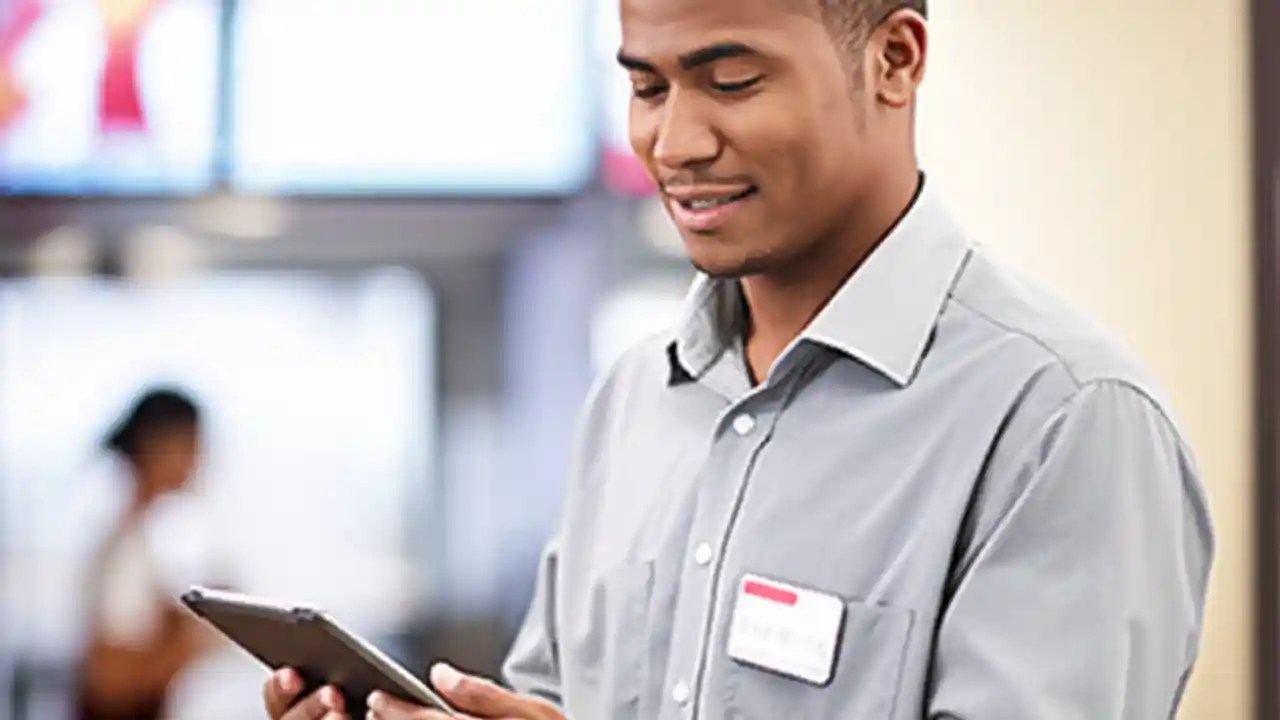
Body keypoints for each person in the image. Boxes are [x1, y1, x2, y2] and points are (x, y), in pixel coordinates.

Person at [264, 0, 1214, 717]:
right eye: (647, 89)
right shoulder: (635, 398)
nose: (673, 144)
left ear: (894, 59)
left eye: (731, 82)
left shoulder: (1064, 422)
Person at [77, 388, 218, 720]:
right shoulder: (125, 550)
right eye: (193, 446)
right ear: (160, 447)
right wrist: (199, 640)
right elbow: (110, 685)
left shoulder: (140, 537)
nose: (200, 461)